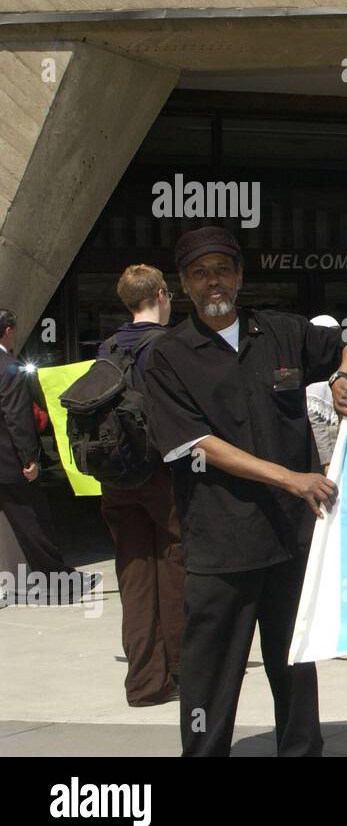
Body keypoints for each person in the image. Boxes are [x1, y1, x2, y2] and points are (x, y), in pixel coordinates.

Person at [142, 226, 347, 756]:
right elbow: (199, 445)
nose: (212, 281)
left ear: (239, 276)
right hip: (221, 546)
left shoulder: (282, 332)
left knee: (294, 665)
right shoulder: (169, 357)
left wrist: (339, 376)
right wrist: (291, 479)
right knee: (209, 677)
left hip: (290, 541)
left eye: (222, 269)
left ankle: (300, 749)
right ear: (183, 284)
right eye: (199, 273)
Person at [94, 265, 186, 706]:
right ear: (162, 294)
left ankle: (144, 684)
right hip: (162, 473)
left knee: (133, 575)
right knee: (175, 567)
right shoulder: (171, 345)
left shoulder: (107, 347)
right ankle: (180, 669)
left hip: (116, 477)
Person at [0, 308, 91, 603]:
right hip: (8, 461)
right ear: (9, 331)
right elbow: (17, 417)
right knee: (33, 519)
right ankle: (57, 579)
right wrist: (30, 458)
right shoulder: (8, 367)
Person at [305, 314, 341, 471]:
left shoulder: (345, 369)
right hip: (327, 456)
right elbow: (316, 425)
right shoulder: (312, 378)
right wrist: (327, 463)